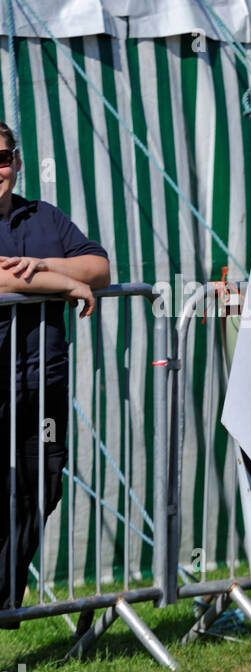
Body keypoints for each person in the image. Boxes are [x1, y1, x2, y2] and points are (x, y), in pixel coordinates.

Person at [0, 121, 107, 624]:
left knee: (39, 490)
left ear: (17, 161)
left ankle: (3, 605)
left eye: (2, 157)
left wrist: (41, 267)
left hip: (43, 383)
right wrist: (61, 282)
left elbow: (100, 267)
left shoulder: (42, 215)